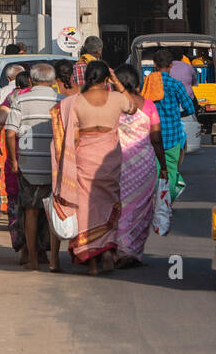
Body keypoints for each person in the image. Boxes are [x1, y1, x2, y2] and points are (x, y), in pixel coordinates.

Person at [50, 60, 135, 275]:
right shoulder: (117, 98)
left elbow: (74, 137)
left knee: (85, 207)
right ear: (107, 78)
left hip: (84, 159)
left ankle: (92, 262)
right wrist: (118, 83)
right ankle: (106, 251)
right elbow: (132, 107)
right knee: (108, 202)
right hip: (109, 159)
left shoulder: (75, 102)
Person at [5, 64, 61, 273]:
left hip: (28, 165)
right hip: (55, 166)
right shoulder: (61, 101)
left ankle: (33, 260)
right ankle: (54, 260)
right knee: (54, 213)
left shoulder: (20, 100)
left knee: (30, 212)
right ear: (53, 81)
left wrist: (14, 160)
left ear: (32, 80)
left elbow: (10, 133)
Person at [114, 65, 166, 268]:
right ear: (137, 83)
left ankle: (120, 249)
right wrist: (163, 165)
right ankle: (132, 251)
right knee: (141, 208)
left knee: (120, 206)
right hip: (144, 164)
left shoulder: (112, 105)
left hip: (118, 162)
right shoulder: (149, 105)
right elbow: (156, 138)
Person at [0, 65, 32, 256]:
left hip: (16, 155)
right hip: (42, 159)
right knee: (37, 204)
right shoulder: (50, 97)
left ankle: (22, 246)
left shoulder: (12, 97)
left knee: (16, 202)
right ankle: (40, 249)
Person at [143, 48, 196, 201]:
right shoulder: (176, 85)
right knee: (171, 170)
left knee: (157, 170)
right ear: (171, 65)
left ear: (154, 64)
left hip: (152, 135)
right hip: (173, 135)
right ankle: (167, 202)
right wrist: (176, 115)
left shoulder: (147, 83)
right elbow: (190, 107)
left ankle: (156, 202)